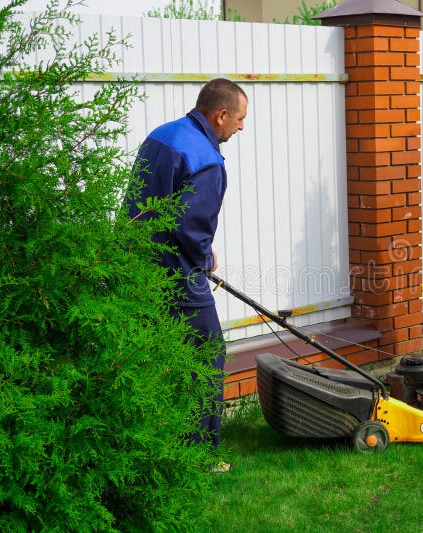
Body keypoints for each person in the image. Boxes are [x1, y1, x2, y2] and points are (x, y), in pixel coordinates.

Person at [126, 78, 247, 470]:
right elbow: (190, 227)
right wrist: (203, 256)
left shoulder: (162, 136)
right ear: (221, 115)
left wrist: (197, 243)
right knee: (206, 355)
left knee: (152, 359)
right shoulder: (207, 160)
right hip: (177, 276)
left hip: (137, 266)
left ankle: (152, 447)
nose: (241, 127)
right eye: (240, 119)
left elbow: (149, 202)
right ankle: (200, 456)